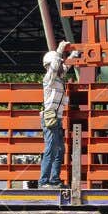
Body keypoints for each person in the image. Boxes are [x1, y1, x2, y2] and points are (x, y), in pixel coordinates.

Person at [39, 41, 79, 188]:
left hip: (57, 119)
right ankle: (43, 182)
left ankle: (54, 180)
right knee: (50, 148)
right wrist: (59, 50)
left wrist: (73, 55)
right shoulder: (48, 79)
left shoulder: (58, 79)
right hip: (49, 118)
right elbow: (56, 67)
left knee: (60, 149)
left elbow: (64, 67)